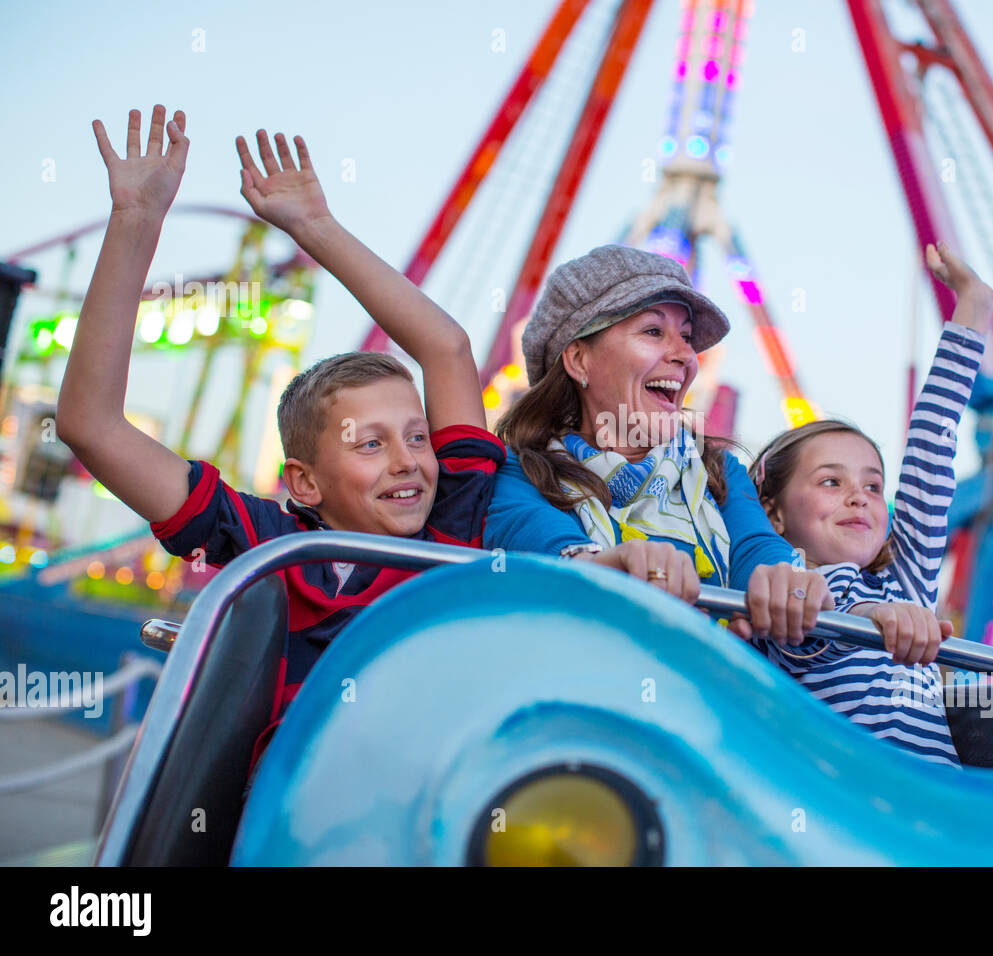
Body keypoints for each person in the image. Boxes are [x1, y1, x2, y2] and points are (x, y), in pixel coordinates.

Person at [55, 106, 503, 771]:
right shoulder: (269, 546)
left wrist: (314, 226)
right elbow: (90, 427)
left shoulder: (452, 525)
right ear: (303, 482)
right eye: (371, 444)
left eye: (417, 436)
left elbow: (447, 348)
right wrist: (135, 221)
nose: (410, 460)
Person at [484, 244, 832, 641]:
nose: (686, 354)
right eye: (653, 331)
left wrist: (785, 580)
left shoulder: (719, 471)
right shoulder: (519, 472)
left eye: (686, 337)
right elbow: (547, 545)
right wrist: (615, 564)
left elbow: (755, 547)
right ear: (579, 360)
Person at [747, 242, 993, 767]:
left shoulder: (907, 584)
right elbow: (818, 621)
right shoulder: (781, 585)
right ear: (774, 513)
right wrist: (871, 615)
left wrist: (972, 305)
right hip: (844, 808)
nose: (859, 495)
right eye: (830, 483)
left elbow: (932, 447)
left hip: (932, 813)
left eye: (874, 485)